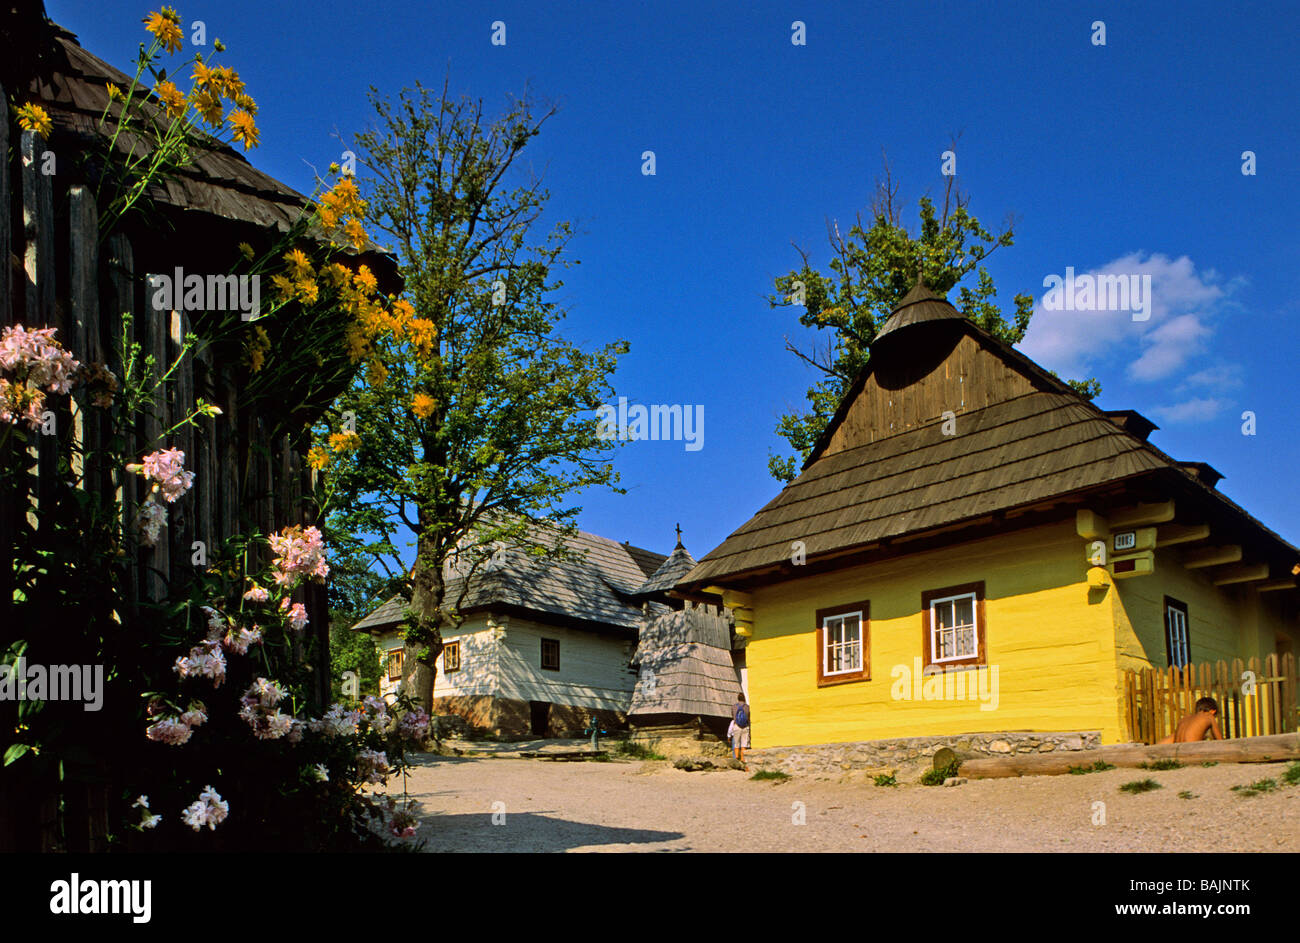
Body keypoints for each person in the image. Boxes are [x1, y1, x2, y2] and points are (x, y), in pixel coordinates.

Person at [1158, 696, 1224, 743]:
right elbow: (1220, 741)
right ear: (1213, 711)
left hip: (1176, 751)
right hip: (1190, 751)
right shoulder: (1209, 716)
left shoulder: (1184, 718)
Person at [731, 692, 751, 766]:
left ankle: (736, 759)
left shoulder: (733, 707)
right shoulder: (747, 707)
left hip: (737, 726)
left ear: (738, 698)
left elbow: (733, 716)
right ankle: (743, 759)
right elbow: (749, 717)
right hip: (745, 727)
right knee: (744, 744)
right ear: (744, 698)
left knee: (736, 743)